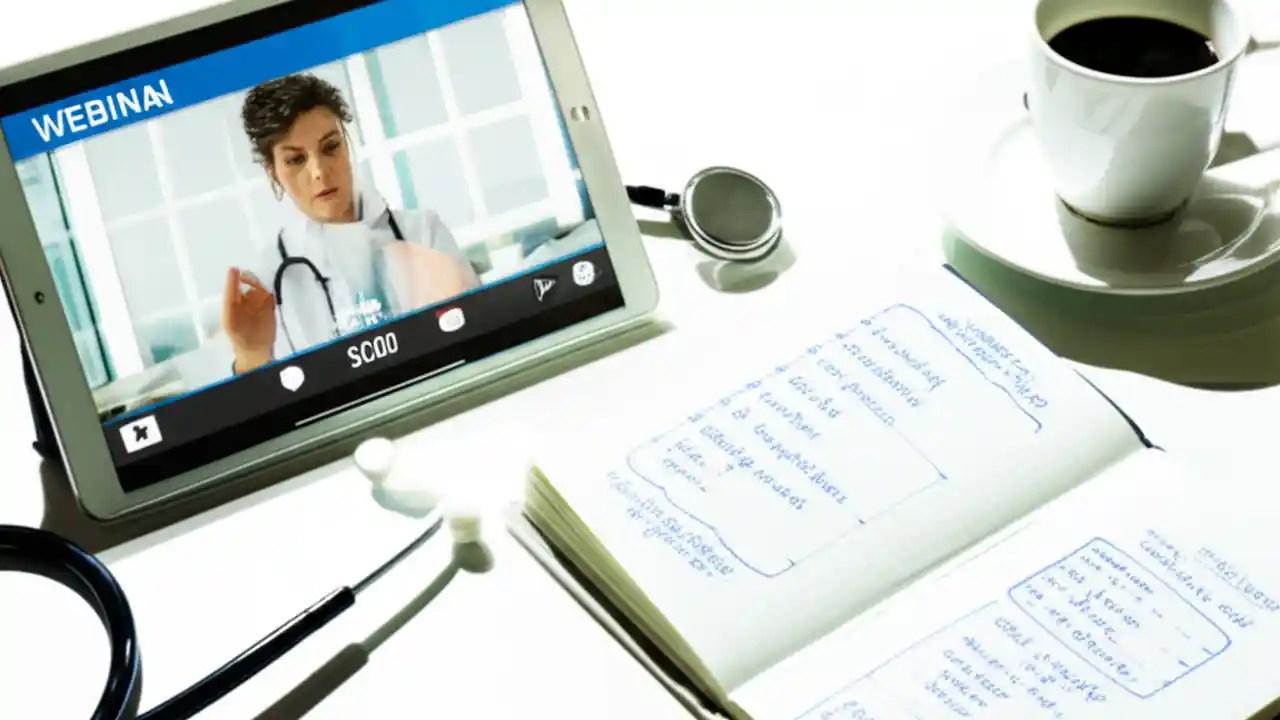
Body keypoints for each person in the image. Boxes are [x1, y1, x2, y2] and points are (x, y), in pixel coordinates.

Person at [222, 73, 480, 375]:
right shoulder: (266, 282)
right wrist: (250, 356)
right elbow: (267, 410)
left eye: (330, 147)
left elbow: (487, 344)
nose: (319, 171)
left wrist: (462, 306)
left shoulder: (423, 231)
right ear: (273, 173)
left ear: (346, 143)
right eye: (295, 160)